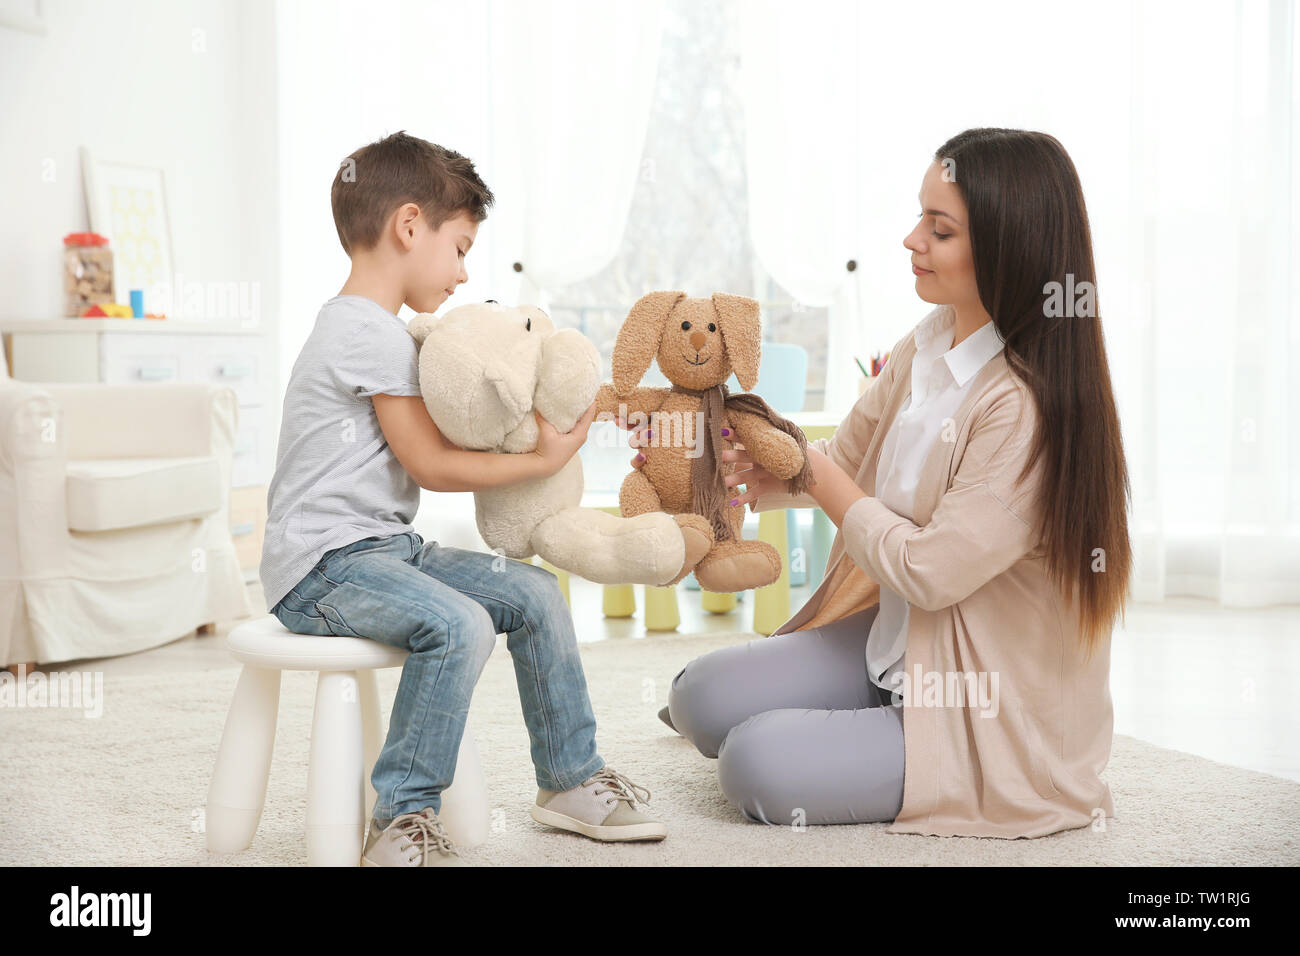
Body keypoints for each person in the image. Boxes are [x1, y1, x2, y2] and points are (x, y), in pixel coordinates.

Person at [646, 127, 1132, 839]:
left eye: (940, 230)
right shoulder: (931, 340)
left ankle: (871, 740)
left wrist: (812, 473)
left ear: (1009, 249)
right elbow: (840, 458)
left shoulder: (1023, 409)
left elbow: (927, 571)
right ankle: (855, 723)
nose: (911, 240)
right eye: (919, 217)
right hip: (896, 648)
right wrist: (754, 467)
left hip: (979, 707)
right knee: (700, 697)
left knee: (753, 762)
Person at [260, 130, 666, 867]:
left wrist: (588, 411)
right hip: (320, 568)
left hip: (384, 551)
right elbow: (435, 465)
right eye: (460, 246)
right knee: (459, 622)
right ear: (409, 226)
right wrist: (546, 458)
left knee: (536, 594)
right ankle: (403, 817)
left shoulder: (389, 333)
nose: (464, 270)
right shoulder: (364, 335)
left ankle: (570, 779)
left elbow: (481, 401)